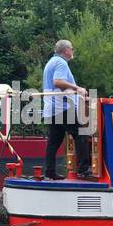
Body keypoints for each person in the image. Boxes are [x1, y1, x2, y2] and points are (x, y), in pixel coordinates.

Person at [42, 39, 93, 180]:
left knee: (53, 142)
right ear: (65, 50)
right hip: (62, 108)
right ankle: (84, 170)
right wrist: (78, 89)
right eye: (72, 48)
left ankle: (50, 173)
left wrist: (80, 97)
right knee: (81, 133)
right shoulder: (60, 62)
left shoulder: (50, 62)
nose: (73, 51)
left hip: (51, 108)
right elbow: (57, 82)